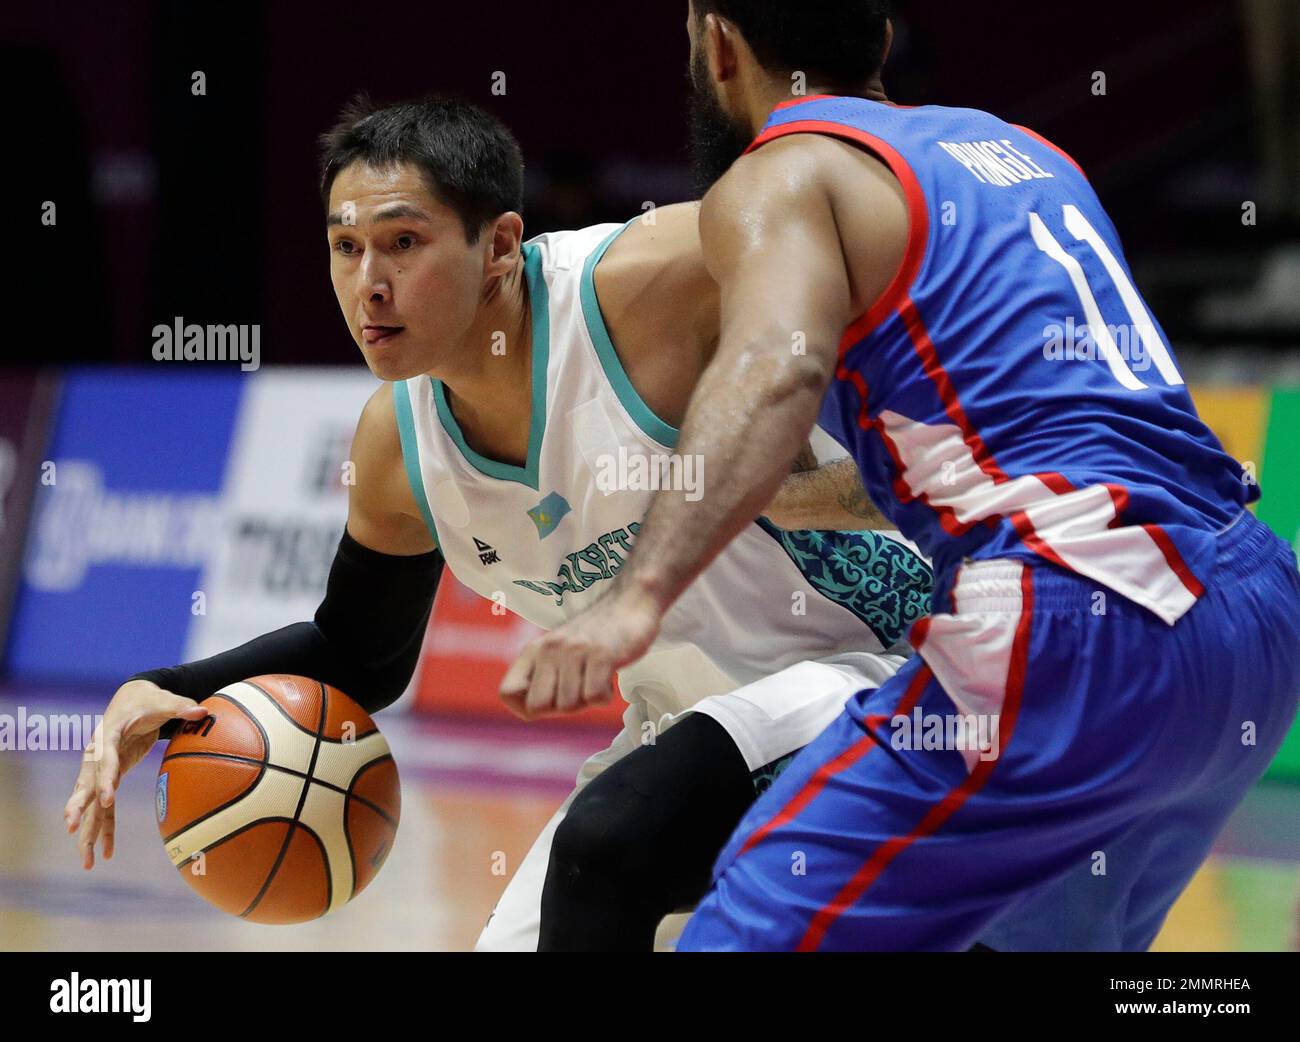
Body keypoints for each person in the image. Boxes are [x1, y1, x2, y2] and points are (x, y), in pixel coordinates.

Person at [503, 1, 1300, 950]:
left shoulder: (784, 173)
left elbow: (778, 367)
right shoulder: (1027, 151)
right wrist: (809, 497)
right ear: (881, 41)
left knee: (747, 930)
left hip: (1075, 627)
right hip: (1251, 614)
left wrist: (637, 596)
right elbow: (1039, 428)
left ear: (716, 45)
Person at [62, 94, 933, 951]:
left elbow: (902, 296)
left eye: (404, 243)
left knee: (607, 845)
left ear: (502, 246)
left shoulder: (649, 284)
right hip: (685, 732)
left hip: (885, 668)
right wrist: (171, 687)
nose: (370, 283)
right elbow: (362, 655)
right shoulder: (396, 446)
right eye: (345, 247)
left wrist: (785, 486)